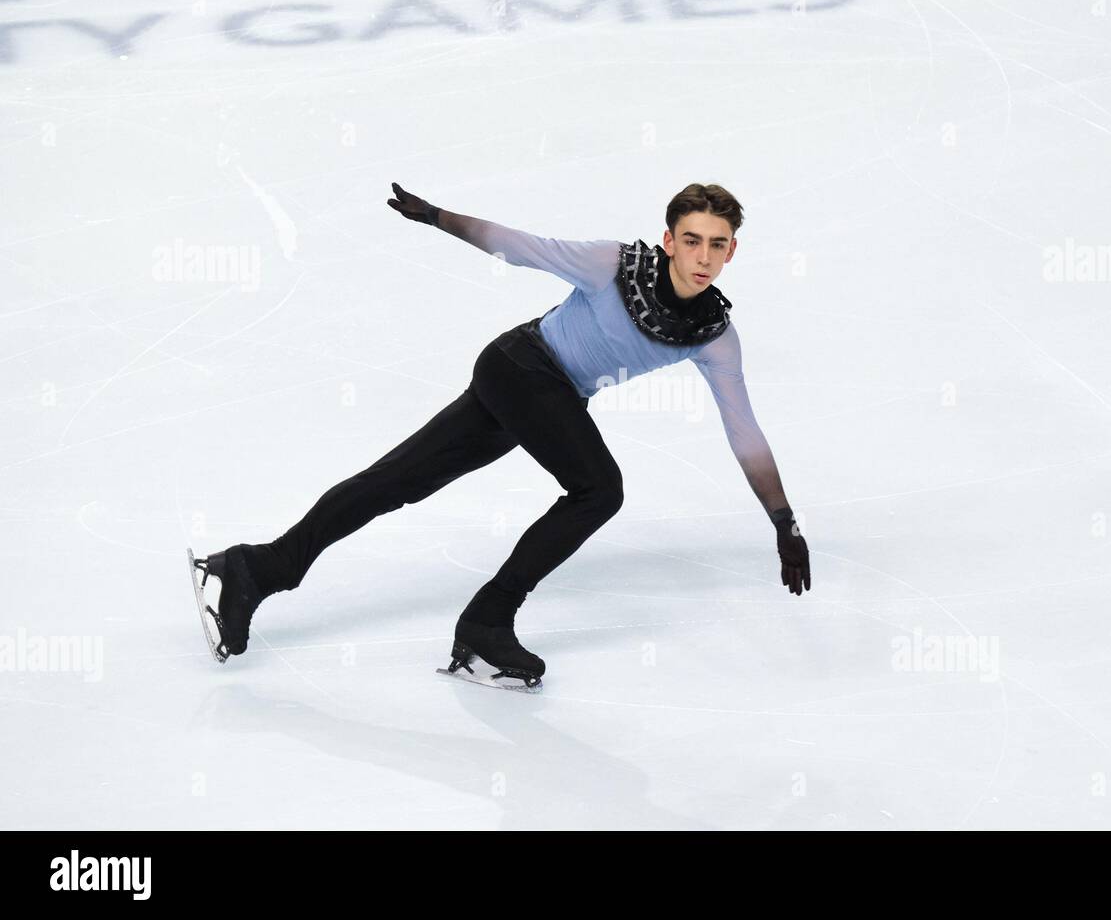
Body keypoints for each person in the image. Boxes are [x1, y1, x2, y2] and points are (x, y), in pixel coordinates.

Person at [191, 182, 811, 688]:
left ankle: (255, 568)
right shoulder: (611, 264)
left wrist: (782, 519)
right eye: (693, 240)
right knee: (599, 489)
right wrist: (437, 217)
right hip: (518, 364)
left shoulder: (713, 335)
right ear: (671, 240)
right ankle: (488, 621)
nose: (703, 257)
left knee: (396, 483)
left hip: (548, 395)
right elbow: (519, 246)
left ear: (733, 252)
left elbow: (744, 430)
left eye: (719, 245)